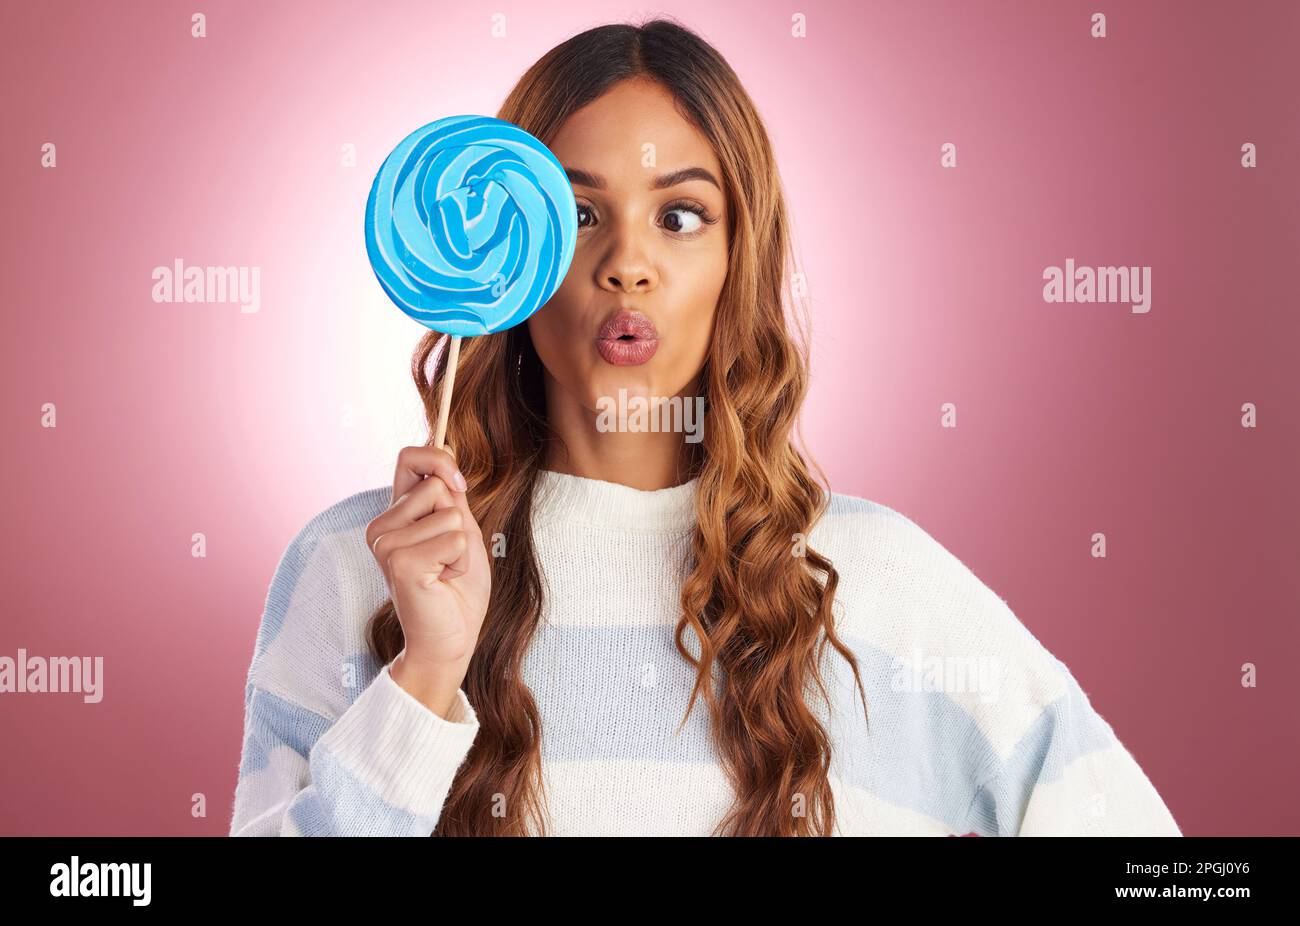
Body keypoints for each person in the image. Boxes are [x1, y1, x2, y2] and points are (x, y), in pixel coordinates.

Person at [230, 18, 1181, 837]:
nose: (627, 263)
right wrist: (428, 672)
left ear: (741, 255)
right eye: (575, 211)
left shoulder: (884, 587)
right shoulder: (356, 569)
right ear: (506, 252)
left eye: (680, 215)